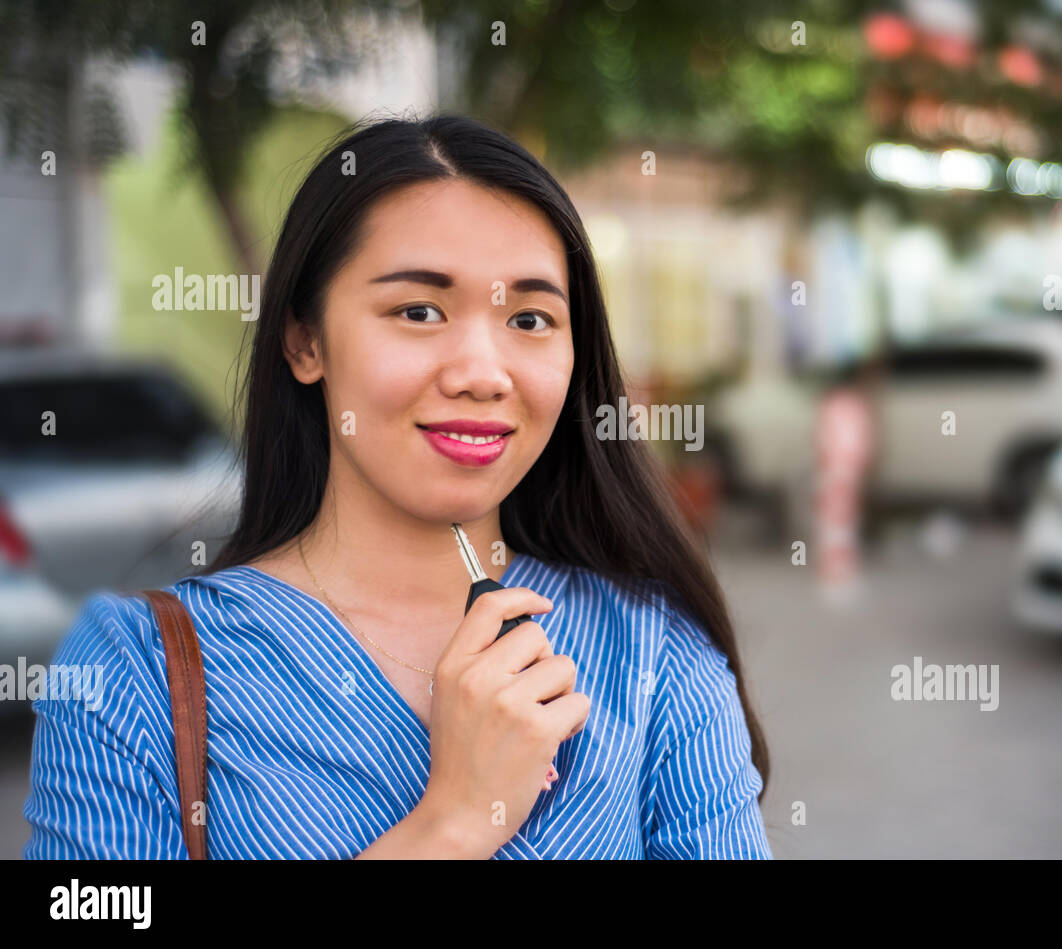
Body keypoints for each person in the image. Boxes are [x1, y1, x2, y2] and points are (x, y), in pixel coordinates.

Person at [22, 115, 772, 859]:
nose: (482, 372)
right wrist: (451, 823)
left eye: (532, 318)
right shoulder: (132, 674)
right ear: (304, 341)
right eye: (418, 310)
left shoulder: (652, 657)